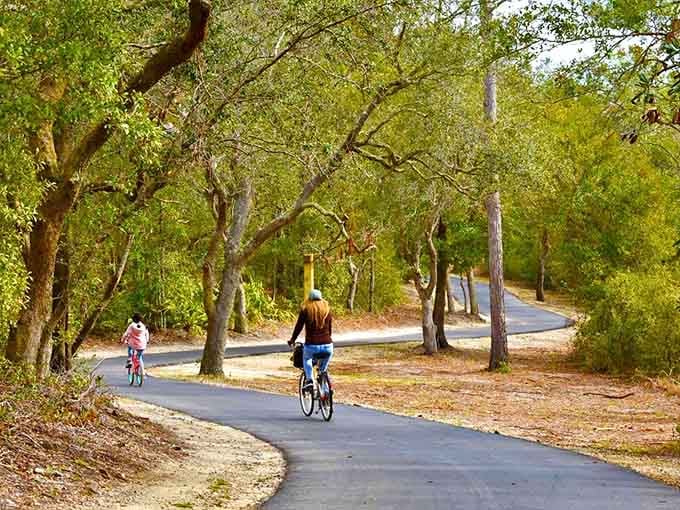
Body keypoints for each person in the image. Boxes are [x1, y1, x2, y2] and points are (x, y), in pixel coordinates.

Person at [288, 289, 333, 393]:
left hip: (312, 345)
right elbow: (330, 329)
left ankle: (309, 380)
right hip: (328, 346)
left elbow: (298, 327)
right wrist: (327, 340)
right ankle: (326, 393)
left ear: (309, 299)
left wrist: (292, 340)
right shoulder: (327, 310)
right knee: (322, 370)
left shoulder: (306, 310)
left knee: (307, 359)